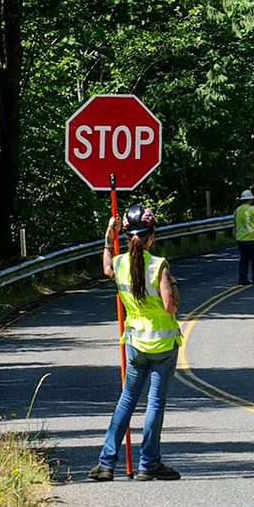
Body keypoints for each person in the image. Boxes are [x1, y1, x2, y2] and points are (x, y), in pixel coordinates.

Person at [90, 202, 182, 482]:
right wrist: (175, 286)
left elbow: (106, 265)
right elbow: (170, 306)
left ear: (128, 236)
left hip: (135, 345)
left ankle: (106, 463)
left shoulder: (119, 265)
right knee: (154, 404)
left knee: (126, 401)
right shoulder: (158, 266)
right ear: (151, 237)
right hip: (163, 347)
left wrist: (109, 235)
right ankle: (148, 464)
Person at [234, 188, 254, 285]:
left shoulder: (237, 210)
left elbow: (235, 223)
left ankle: (242, 279)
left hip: (241, 239)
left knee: (243, 260)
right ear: (250, 199)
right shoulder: (252, 209)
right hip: (252, 239)